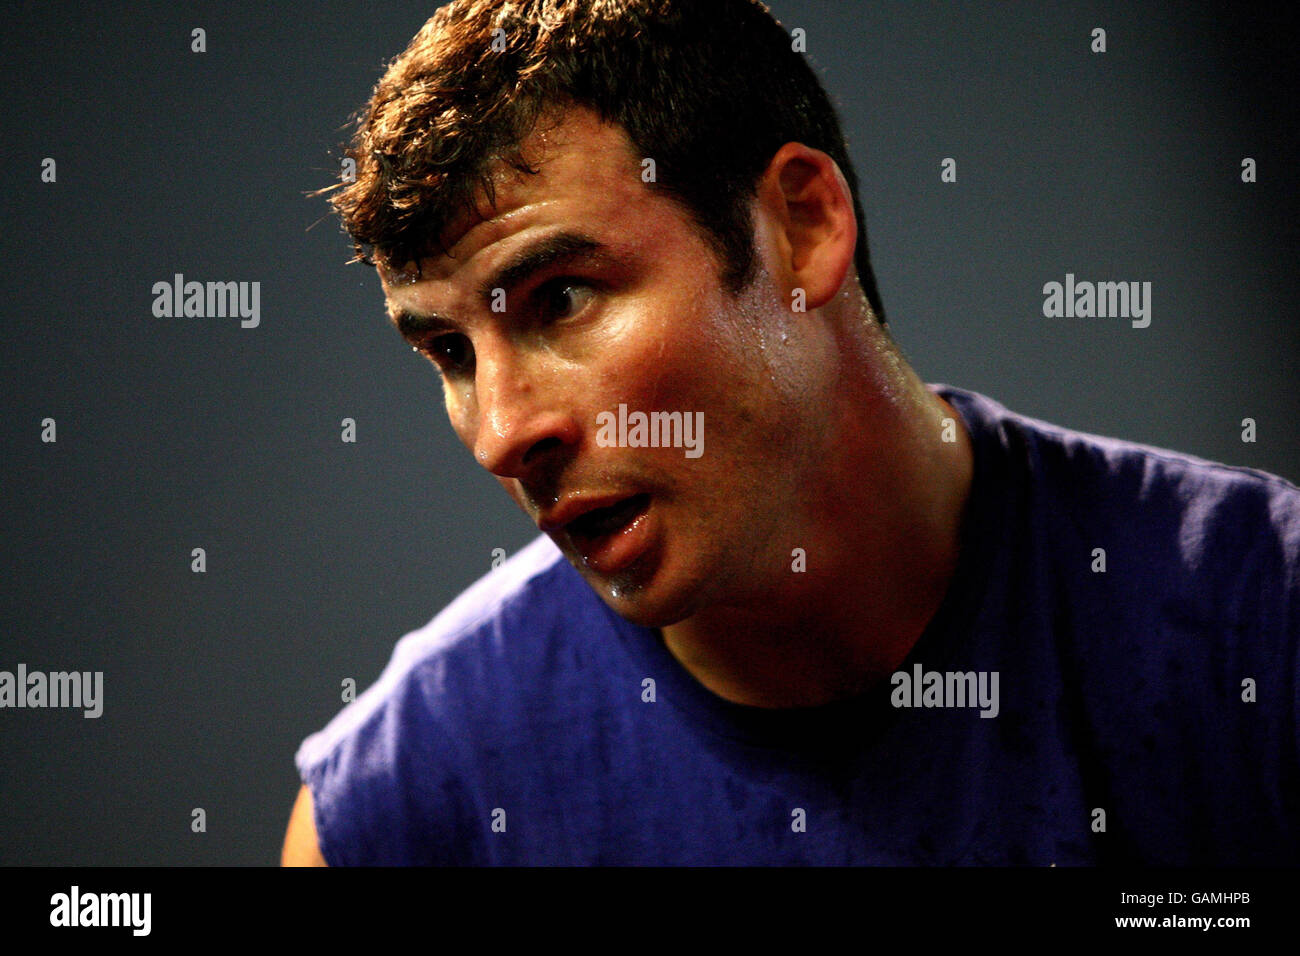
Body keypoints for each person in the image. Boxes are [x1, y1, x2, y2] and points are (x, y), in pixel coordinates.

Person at [282, 0, 1299, 865]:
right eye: (449, 354)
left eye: (562, 298)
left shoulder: (1255, 620)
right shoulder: (404, 801)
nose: (501, 432)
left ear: (801, 226)